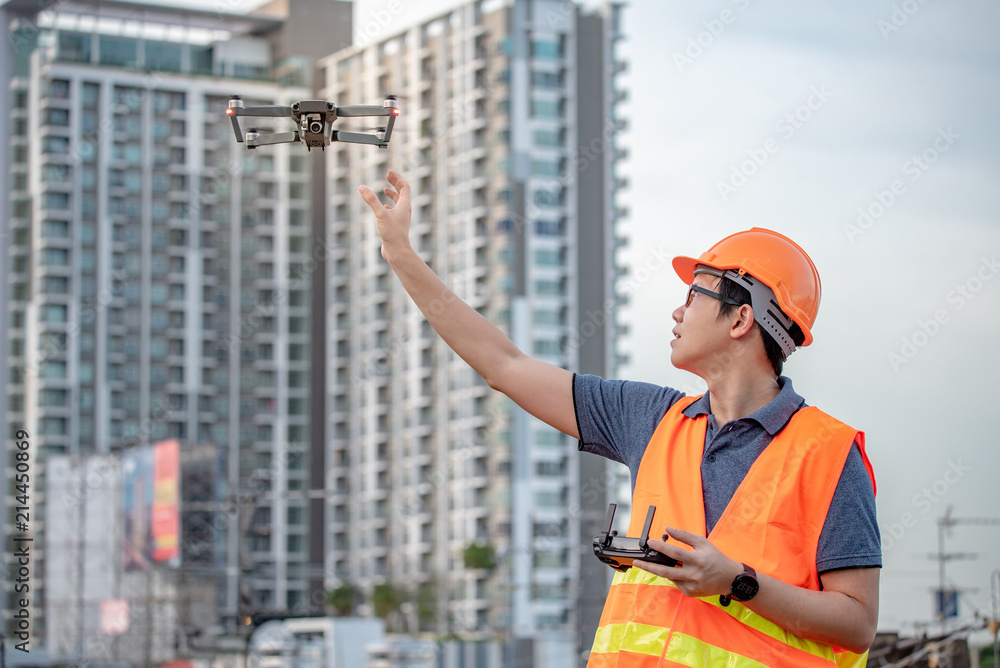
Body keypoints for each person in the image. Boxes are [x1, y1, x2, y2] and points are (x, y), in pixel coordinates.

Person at [359, 171, 881, 668]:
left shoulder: (830, 454)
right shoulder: (651, 419)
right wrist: (401, 254)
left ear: (742, 318)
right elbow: (506, 365)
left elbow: (856, 623)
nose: (677, 313)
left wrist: (736, 582)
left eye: (693, 296)